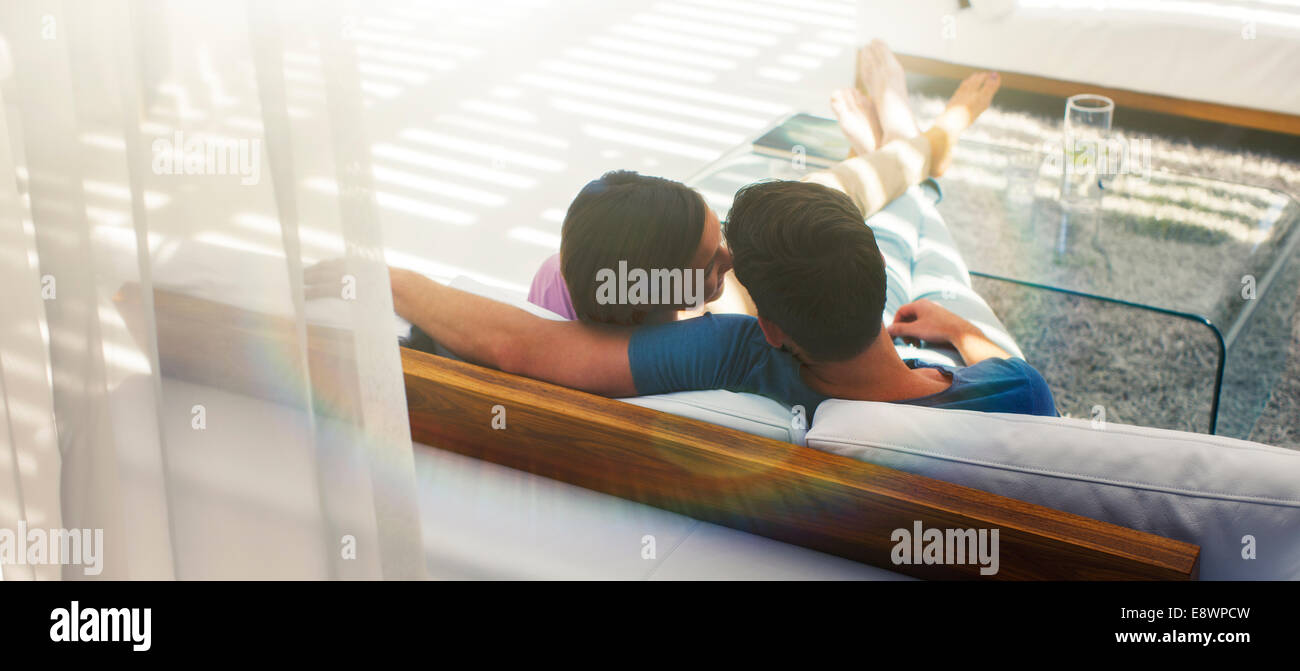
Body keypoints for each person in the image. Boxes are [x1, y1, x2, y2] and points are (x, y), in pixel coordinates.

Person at [525, 40, 1000, 326]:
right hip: (753, 295)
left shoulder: (560, 278)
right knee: (844, 198)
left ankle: (892, 148)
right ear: (658, 295)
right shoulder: (709, 342)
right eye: (711, 264)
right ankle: (928, 141)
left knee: (833, 187)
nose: (734, 257)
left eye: (718, 240)